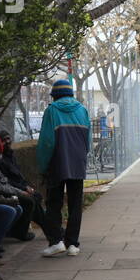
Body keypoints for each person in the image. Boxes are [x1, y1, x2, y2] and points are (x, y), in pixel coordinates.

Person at [37, 78, 91, 257]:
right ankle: (73, 244)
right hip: (78, 163)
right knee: (75, 204)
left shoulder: (51, 111)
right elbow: (88, 141)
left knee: (53, 203)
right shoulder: (82, 110)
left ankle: (56, 241)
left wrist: (43, 165)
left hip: (57, 163)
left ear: (55, 95)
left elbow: (47, 142)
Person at [0, 132, 38, 241]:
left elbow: (7, 180)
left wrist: (25, 187)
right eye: (4, 140)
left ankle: (47, 227)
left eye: (9, 139)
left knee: (34, 198)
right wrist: (20, 192)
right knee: (23, 204)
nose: (7, 142)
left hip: (8, 191)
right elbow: (0, 187)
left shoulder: (3, 158)